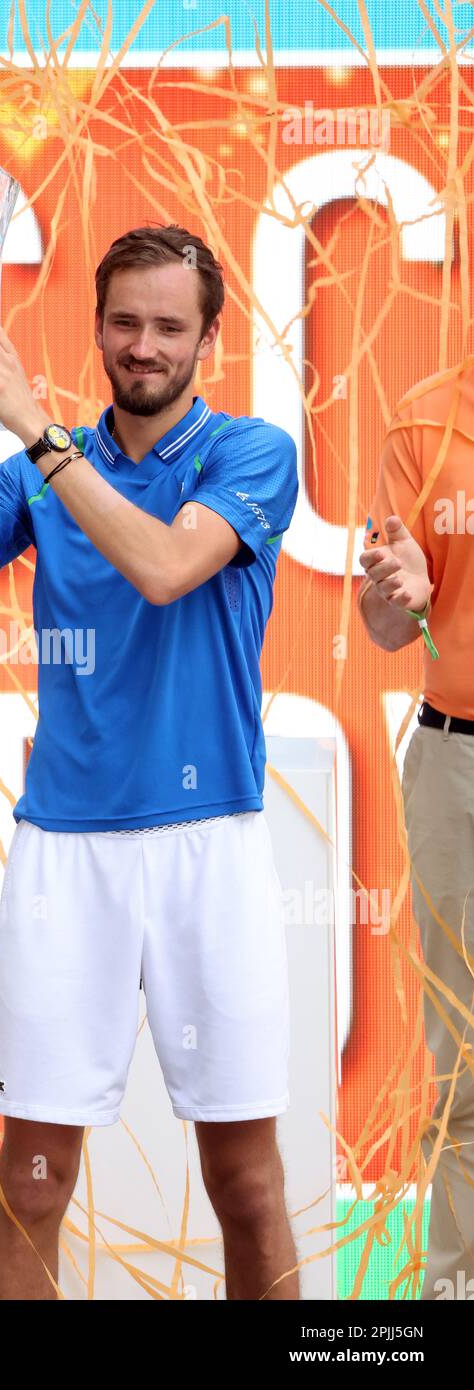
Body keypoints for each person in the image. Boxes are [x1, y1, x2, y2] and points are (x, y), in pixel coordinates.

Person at [0, 225, 301, 1300]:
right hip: (67, 853)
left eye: (167, 325)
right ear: (96, 327)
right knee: (32, 1175)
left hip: (213, 846)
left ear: (208, 334)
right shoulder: (31, 477)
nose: (142, 345)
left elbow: (161, 566)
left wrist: (30, 423)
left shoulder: (249, 452)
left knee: (242, 1181)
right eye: (123, 322)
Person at [358, 365, 474, 1300]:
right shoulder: (424, 420)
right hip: (458, 766)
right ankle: (453, 1292)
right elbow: (385, 630)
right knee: (467, 1051)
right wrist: (400, 591)